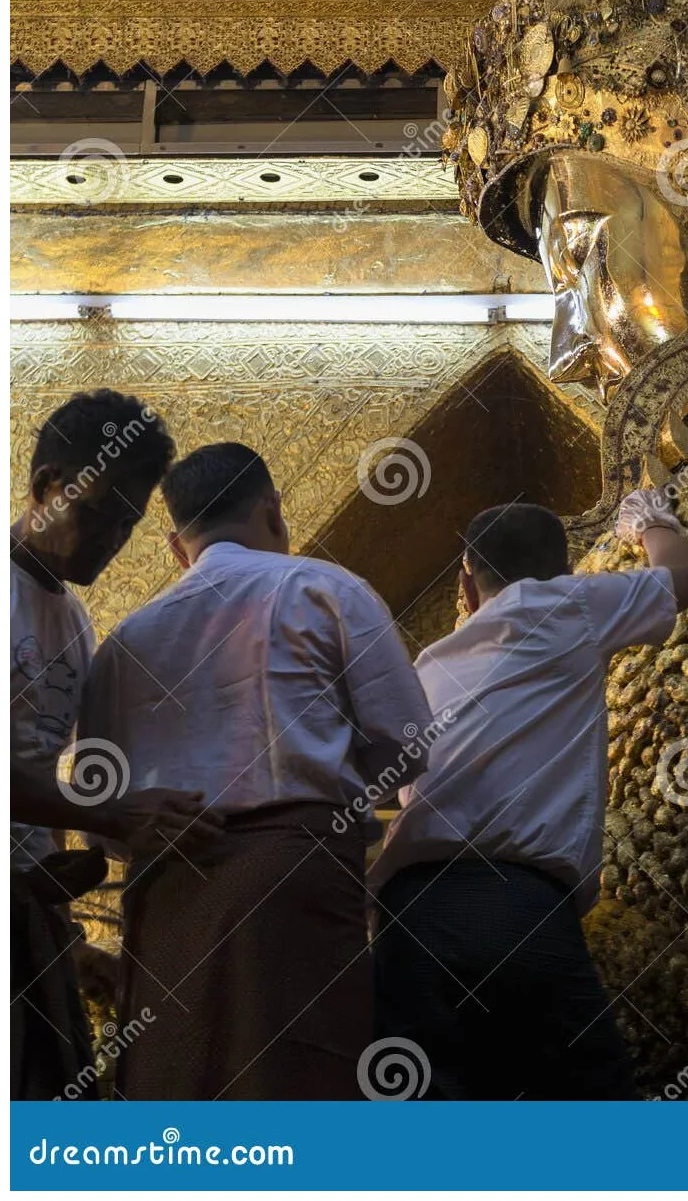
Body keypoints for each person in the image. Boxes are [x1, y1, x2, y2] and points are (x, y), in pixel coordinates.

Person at [79, 441, 432, 1101]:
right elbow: (407, 746)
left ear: (174, 547)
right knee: (302, 1074)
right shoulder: (324, 589)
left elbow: (103, 822)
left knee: (178, 1081)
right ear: (273, 510)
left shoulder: (122, 643)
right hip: (291, 871)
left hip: (166, 897)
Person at [370, 490, 688, 1100]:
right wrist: (649, 520)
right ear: (564, 571)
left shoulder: (426, 665)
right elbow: (687, 578)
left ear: (467, 586)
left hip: (405, 913)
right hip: (512, 905)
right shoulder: (565, 604)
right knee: (588, 1107)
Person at [10, 389, 211, 1101]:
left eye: (127, 523)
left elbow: (36, 781)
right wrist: (115, 817)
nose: (110, 540)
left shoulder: (75, 621)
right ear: (46, 488)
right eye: (97, 515)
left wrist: (60, 927)